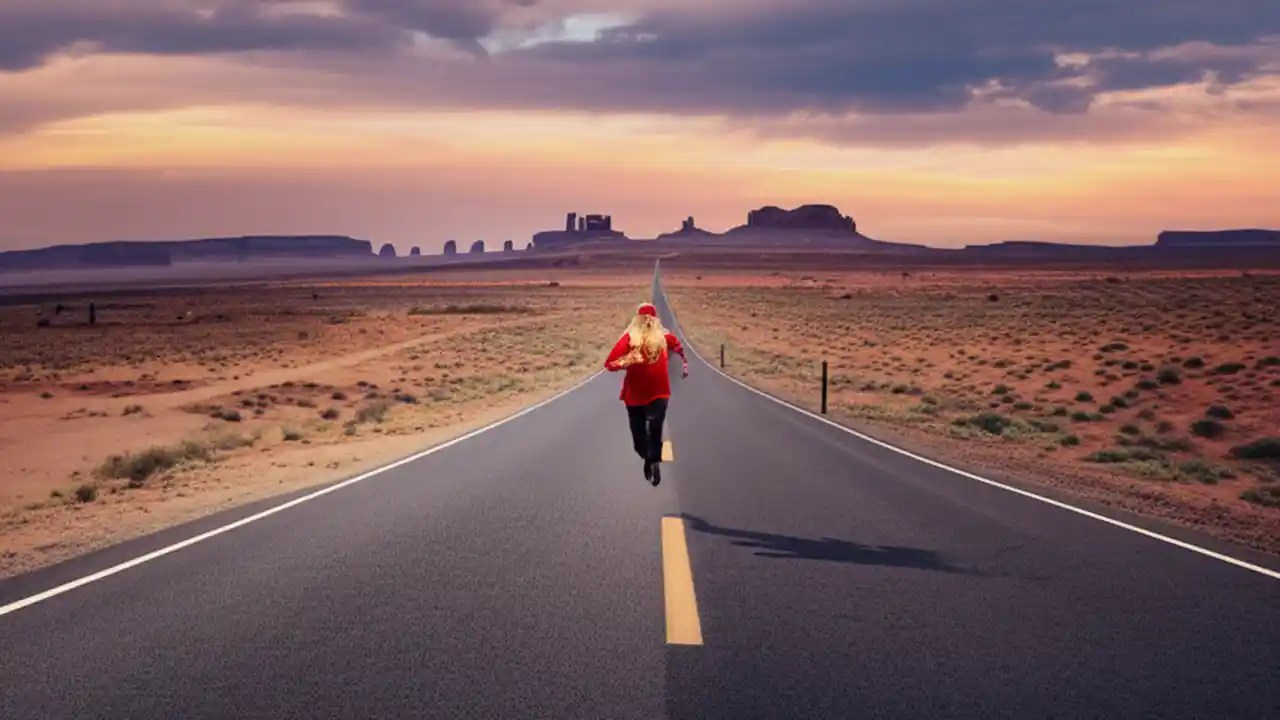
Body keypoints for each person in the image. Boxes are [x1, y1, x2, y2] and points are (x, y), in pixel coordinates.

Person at [604, 302, 688, 486]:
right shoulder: (633, 339)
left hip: (649, 394)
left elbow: (610, 364)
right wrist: (629, 359)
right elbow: (610, 363)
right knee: (650, 432)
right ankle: (651, 458)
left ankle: (652, 459)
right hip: (641, 394)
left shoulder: (652, 337)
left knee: (646, 433)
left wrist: (683, 363)